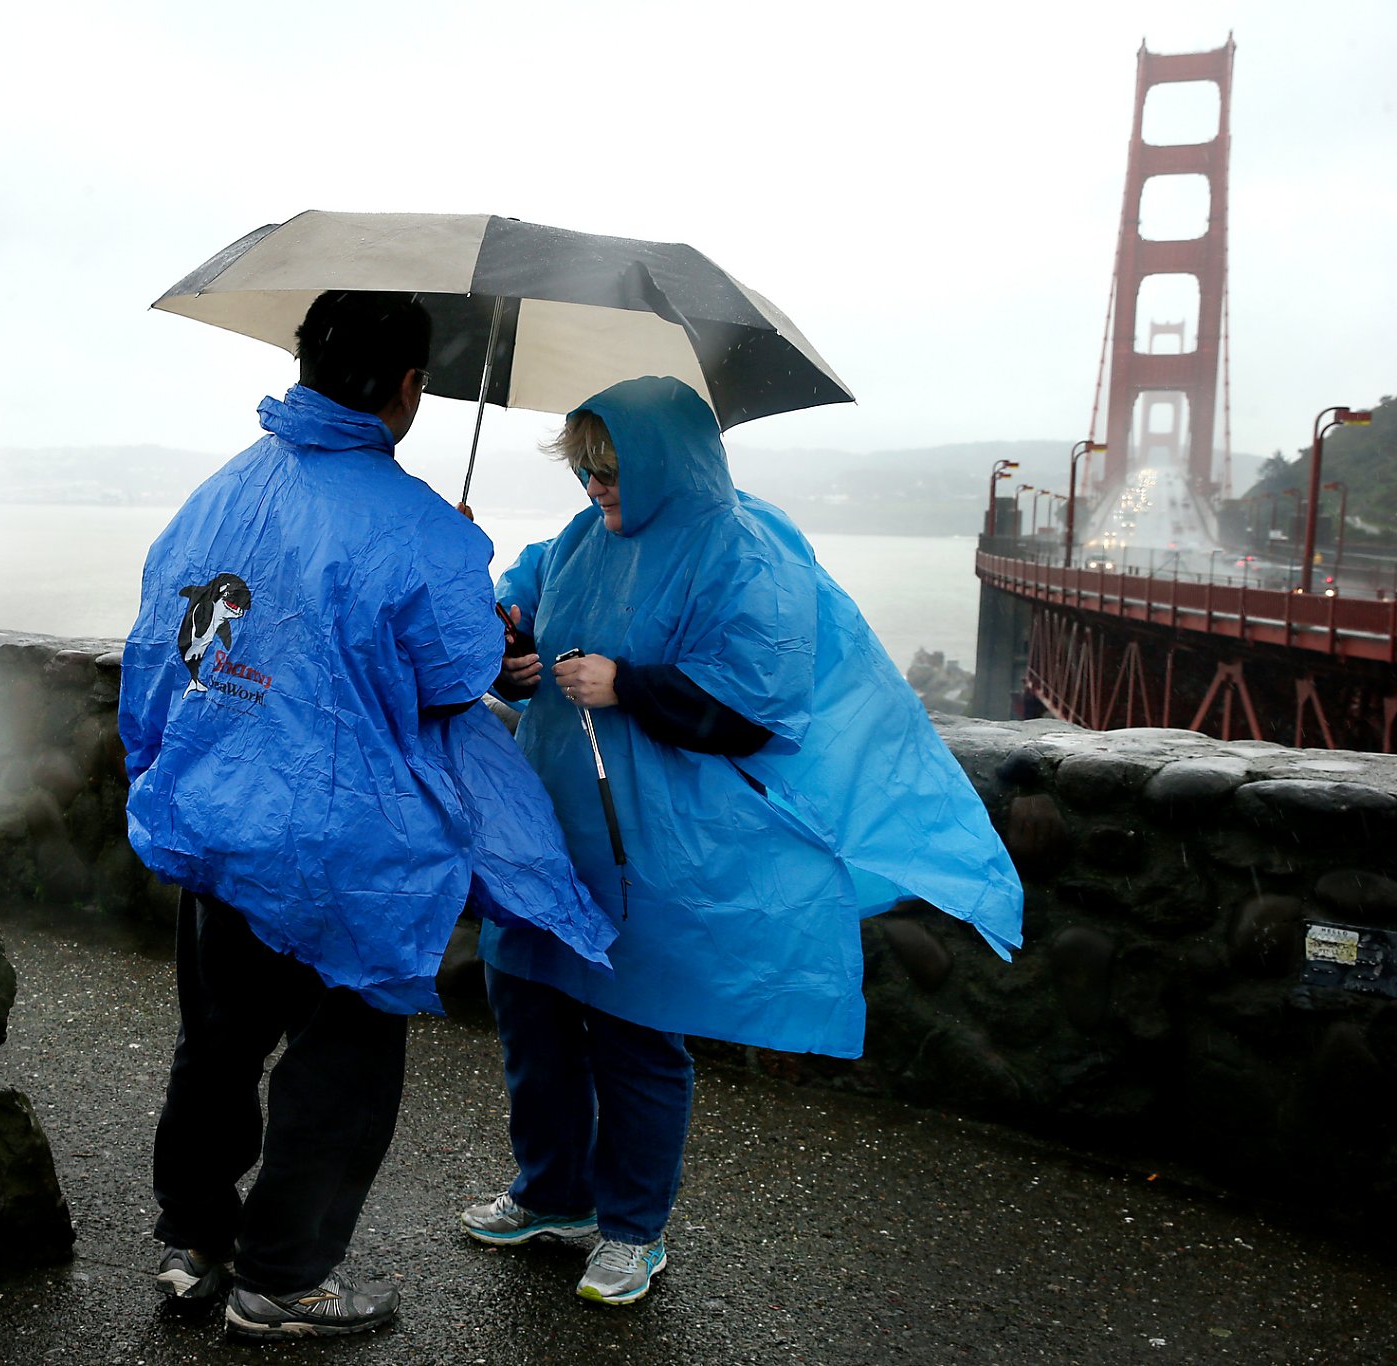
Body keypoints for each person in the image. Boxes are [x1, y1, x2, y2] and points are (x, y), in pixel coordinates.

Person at [463, 376, 1023, 1305]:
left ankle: (632, 1229)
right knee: (533, 1010)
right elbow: (516, 619)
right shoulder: (572, 542)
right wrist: (508, 649)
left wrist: (630, 685)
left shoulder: (743, 547)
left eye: (613, 468)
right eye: (587, 468)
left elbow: (763, 703)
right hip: (553, 827)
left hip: (663, 842)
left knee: (638, 1027)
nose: (598, 487)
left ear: (663, 459)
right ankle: (551, 1195)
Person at [119, 291, 614, 1341]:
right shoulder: (421, 525)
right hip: (352, 849)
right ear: (406, 387)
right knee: (340, 1064)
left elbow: (163, 651)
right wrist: (465, 588)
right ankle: (284, 1276)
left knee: (215, 1044)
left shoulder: (218, 493)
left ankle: (191, 1243)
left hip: (217, 822)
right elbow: (449, 679)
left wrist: (160, 774)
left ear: (302, 363)